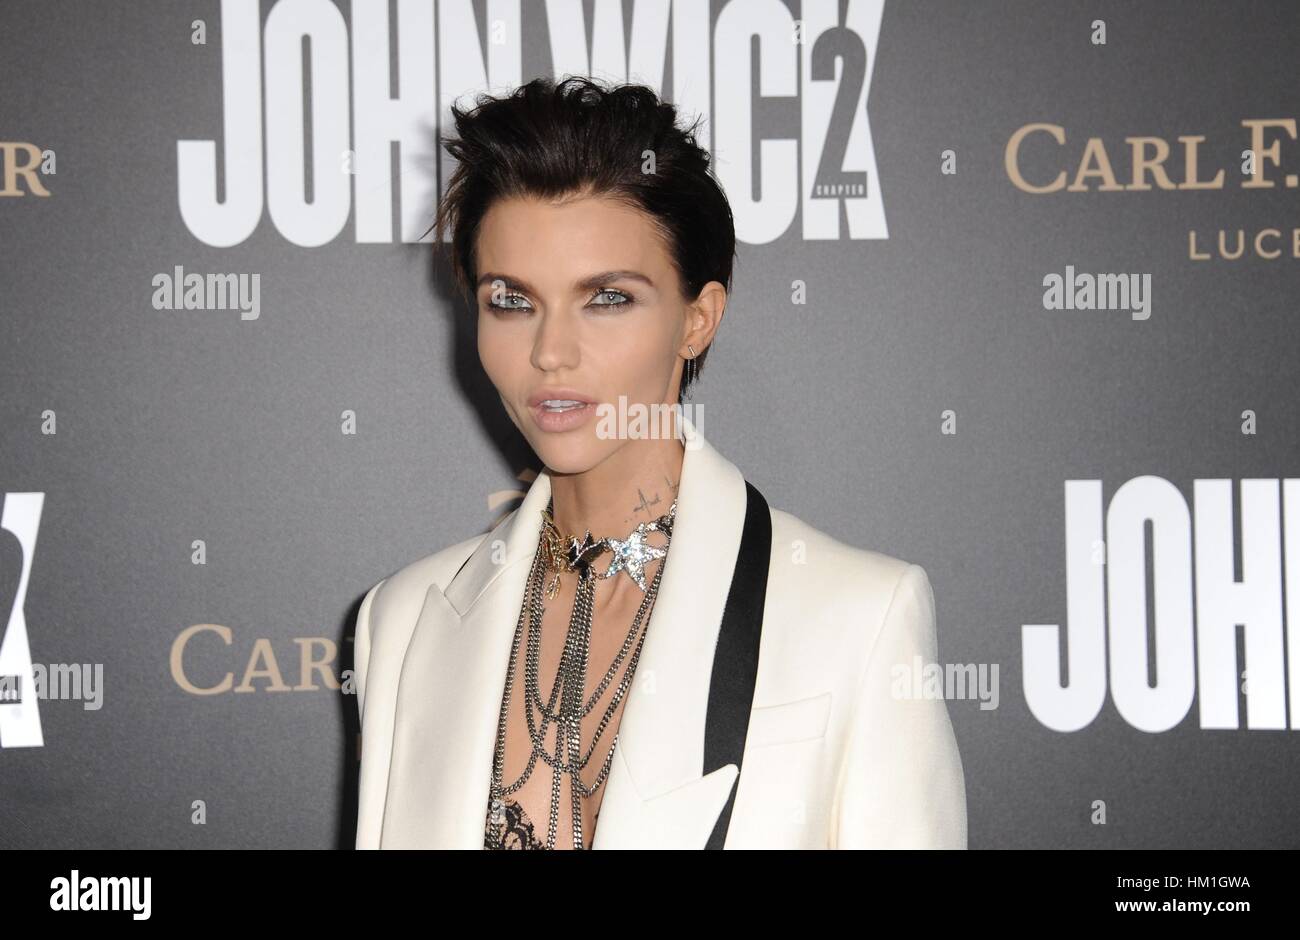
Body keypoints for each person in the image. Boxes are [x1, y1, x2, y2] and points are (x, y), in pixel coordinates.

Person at [352, 75, 966, 850]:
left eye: (607, 298)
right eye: (511, 300)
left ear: (698, 320)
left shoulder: (858, 620)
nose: (550, 353)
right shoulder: (402, 622)